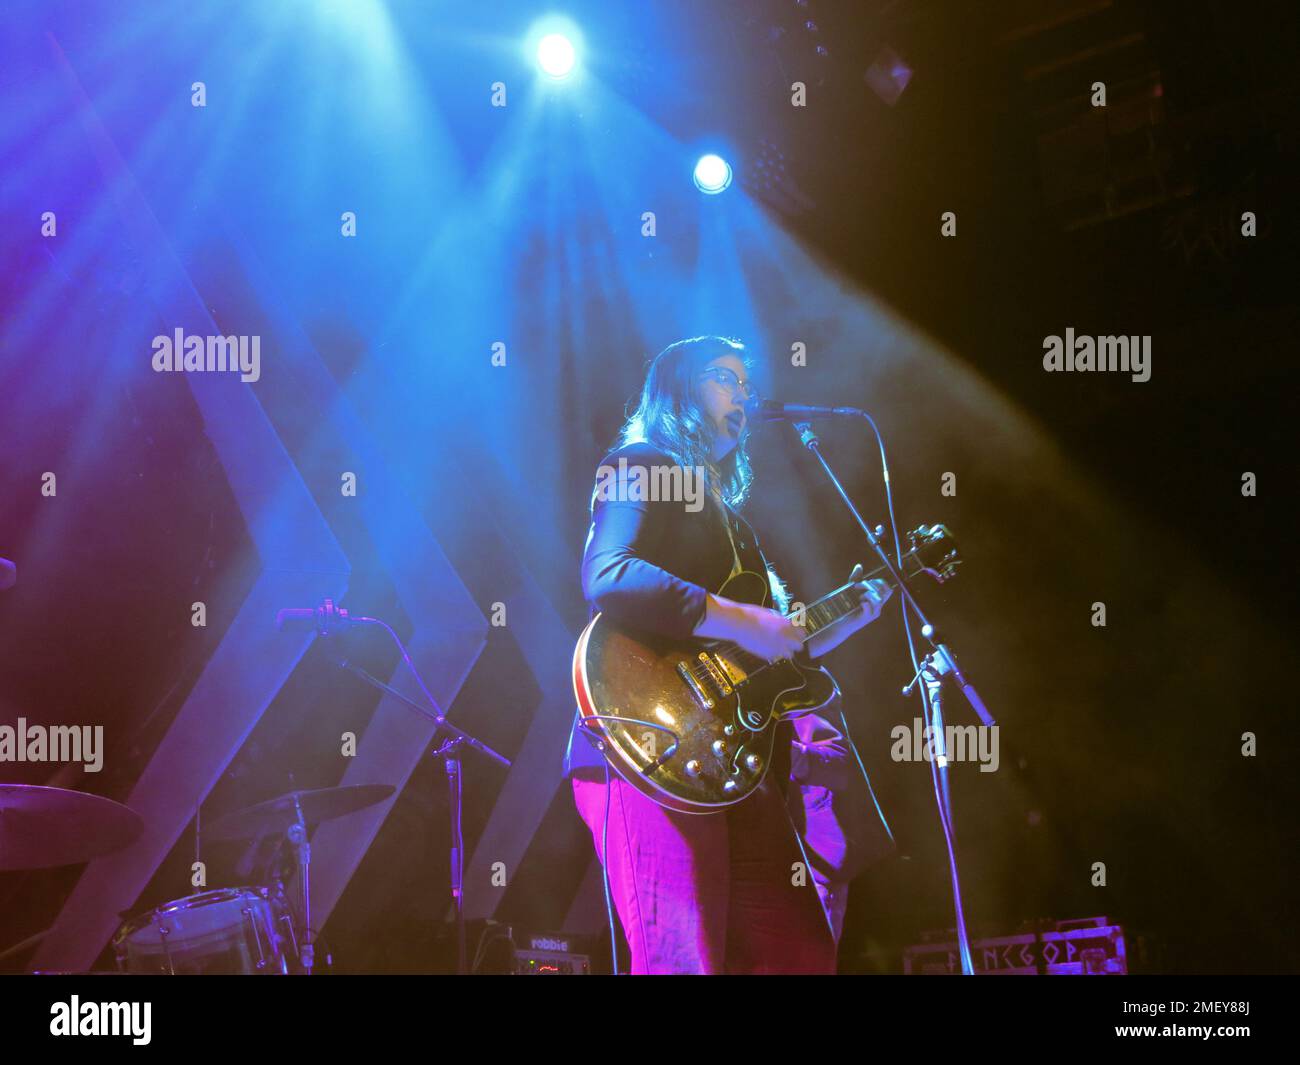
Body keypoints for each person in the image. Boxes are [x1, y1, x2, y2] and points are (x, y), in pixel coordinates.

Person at [564, 335, 894, 974]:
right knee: (684, 958)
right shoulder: (639, 464)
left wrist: (855, 608)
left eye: (746, 383)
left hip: (732, 760)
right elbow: (608, 574)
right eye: (724, 379)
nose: (744, 395)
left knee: (797, 953)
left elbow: (778, 645)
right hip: (644, 744)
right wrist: (743, 618)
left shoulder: (733, 525)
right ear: (677, 392)